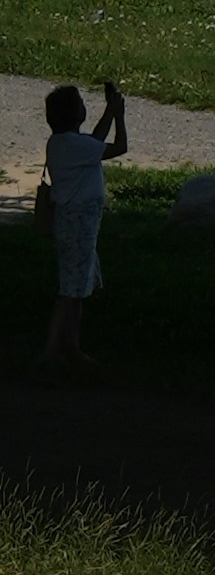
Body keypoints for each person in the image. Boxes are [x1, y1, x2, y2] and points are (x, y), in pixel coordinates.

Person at [35, 77, 128, 369]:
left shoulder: (63, 143)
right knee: (69, 292)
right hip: (78, 226)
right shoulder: (75, 145)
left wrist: (111, 112)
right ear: (77, 114)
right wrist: (117, 114)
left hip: (76, 226)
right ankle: (51, 350)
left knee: (77, 289)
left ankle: (71, 347)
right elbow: (119, 146)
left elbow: (95, 141)